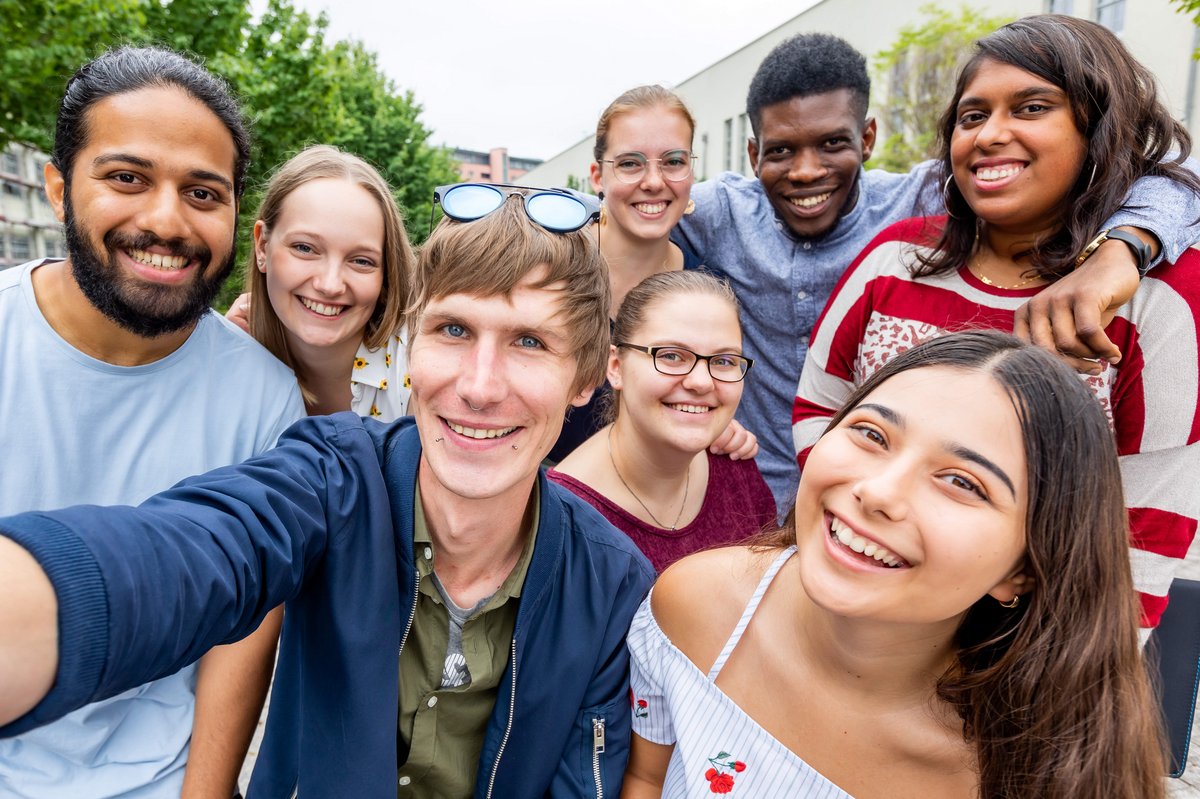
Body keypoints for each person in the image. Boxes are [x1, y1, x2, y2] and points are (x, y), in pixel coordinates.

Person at [0, 188, 655, 798]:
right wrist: (46, 605)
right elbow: (198, 552)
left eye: (530, 341)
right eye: (453, 329)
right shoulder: (333, 475)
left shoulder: (613, 584)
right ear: (411, 346)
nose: (480, 385)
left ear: (587, 377)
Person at [674, 31, 1200, 511]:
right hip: (762, 493)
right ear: (752, 153)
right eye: (781, 151)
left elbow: (1172, 170)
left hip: (913, 516)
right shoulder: (721, 211)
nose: (807, 170)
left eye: (833, 143)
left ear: (869, 138)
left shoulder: (926, 196)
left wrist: (1124, 248)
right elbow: (620, 207)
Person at [625, 331, 1165, 798]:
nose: (878, 491)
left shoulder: (1035, 772)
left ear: (1022, 570)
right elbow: (647, 780)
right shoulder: (695, 606)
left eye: (961, 482)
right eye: (872, 434)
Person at [793, 14, 1200, 631]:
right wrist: (858, 539)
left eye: (1032, 108)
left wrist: (1083, 673)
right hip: (858, 593)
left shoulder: (1155, 299)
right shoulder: (896, 259)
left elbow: (1147, 527)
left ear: (1100, 130)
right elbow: (818, 410)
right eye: (972, 115)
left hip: (1032, 641)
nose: (989, 135)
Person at [0, 46, 304, 798]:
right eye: (127, 178)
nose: (165, 220)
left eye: (203, 193)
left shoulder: (266, 399)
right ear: (58, 185)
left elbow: (240, 637)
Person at [549, 85, 756, 463]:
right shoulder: (548, 268)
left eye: (673, 161)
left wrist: (714, 424)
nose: (654, 181)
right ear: (597, 176)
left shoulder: (706, 293)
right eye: (630, 163)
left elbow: (701, 391)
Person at [549, 271, 775, 572]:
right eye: (671, 356)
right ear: (615, 367)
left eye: (723, 361)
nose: (701, 382)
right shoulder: (562, 518)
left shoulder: (733, 465)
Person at [227, 145, 416, 418]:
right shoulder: (228, 359)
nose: (330, 285)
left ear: (386, 273)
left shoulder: (418, 369)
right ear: (262, 246)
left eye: (361, 261)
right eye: (305, 248)